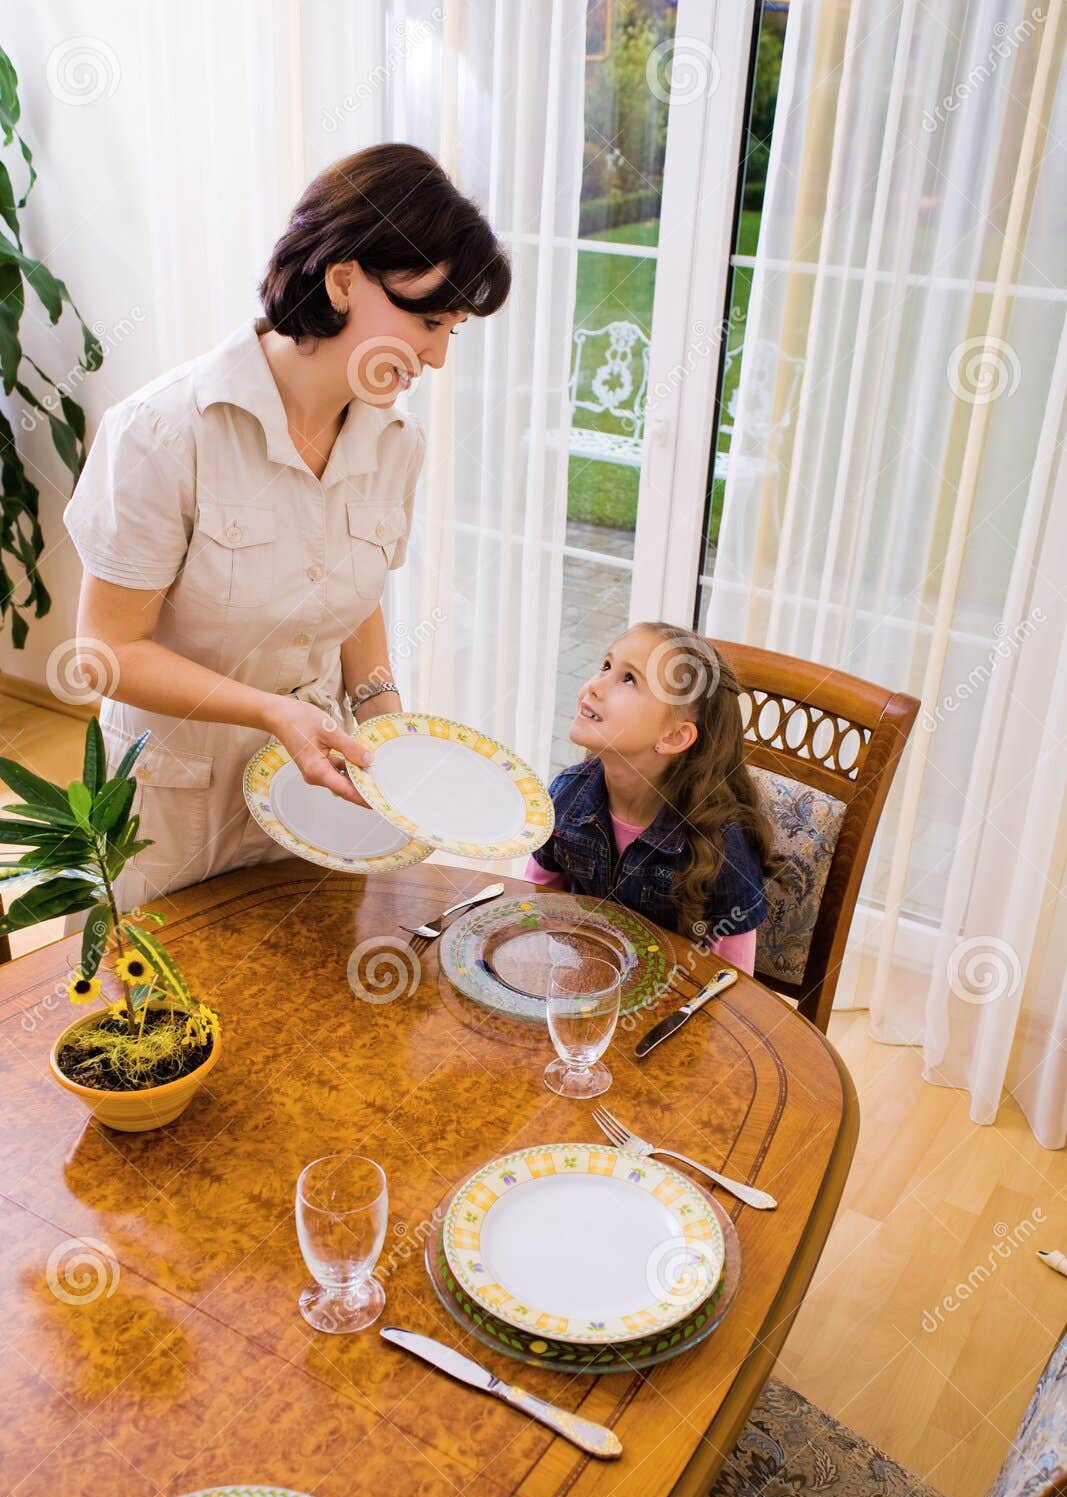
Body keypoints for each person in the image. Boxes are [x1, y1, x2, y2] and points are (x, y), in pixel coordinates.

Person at [64, 143, 510, 908]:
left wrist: (384, 727)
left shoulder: (394, 443)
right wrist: (275, 712)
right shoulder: (163, 433)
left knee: (308, 1013)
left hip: (315, 800)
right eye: (428, 320)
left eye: (453, 330)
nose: (436, 356)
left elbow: (353, 597)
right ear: (342, 279)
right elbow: (107, 653)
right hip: (170, 807)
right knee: (168, 1014)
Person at [525, 623, 777, 972]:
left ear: (674, 737)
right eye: (607, 666)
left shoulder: (723, 847)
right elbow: (536, 908)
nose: (595, 686)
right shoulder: (566, 796)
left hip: (676, 1014)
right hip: (582, 991)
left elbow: (730, 987)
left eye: (629, 679)